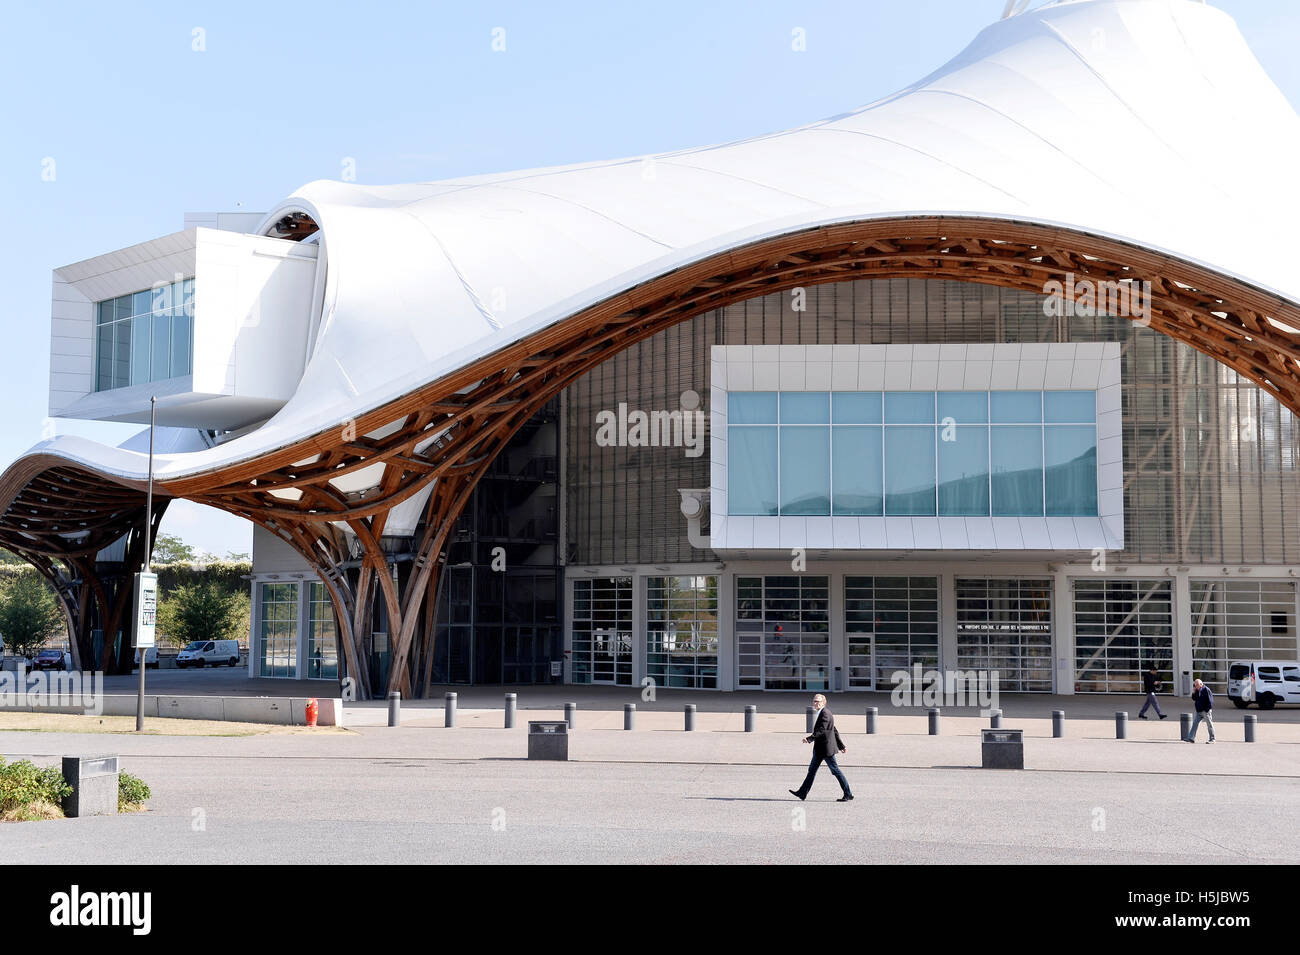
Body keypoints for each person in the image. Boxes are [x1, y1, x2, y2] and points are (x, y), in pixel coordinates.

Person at [789, 693, 853, 802]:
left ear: (823, 702)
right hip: (820, 749)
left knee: (835, 771)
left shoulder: (825, 713)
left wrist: (810, 738)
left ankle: (848, 793)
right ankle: (802, 792)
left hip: (826, 749)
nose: (816, 703)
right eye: (814, 701)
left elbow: (822, 730)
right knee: (812, 771)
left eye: (818, 701)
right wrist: (841, 746)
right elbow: (834, 730)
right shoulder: (823, 713)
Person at [1186, 678, 1216, 743]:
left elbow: (1211, 701)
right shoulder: (1197, 690)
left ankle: (1212, 739)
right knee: (1194, 724)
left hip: (1205, 711)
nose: (1195, 686)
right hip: (1199, 711)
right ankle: (1191, 738)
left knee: (1209, 725)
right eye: (1194, 685)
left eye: (1196, 685)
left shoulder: (1206, 690)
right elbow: (1194, 699)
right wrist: (1193, 693)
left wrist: (1207, 710)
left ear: (1201, 684)